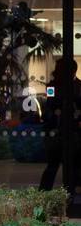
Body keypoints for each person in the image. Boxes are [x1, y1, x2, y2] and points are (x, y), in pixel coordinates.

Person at [39, 58, 80, 191]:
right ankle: (69, 192)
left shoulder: (56, 86)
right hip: (62, 130)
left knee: (55, 165)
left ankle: (48, 193)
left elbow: (51, 104)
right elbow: (51, 104)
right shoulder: (54, 86)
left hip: (65, 130)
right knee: (67, 165)